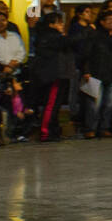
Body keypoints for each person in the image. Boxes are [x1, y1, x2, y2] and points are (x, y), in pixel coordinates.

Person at [79, 8, 112, 138]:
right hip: (96, 73)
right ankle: (90, 129)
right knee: (94, 105)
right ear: (102, 22)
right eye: (109, 20)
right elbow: (85, 54)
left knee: (109, 104)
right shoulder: (94, 35)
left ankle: (104, 127)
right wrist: (86, 71)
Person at [30, 10, 75, 142]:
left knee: (55, 104)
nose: (62, 25)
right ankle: (46, 132)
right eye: (59, 23)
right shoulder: (51, 37)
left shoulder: (46, 37)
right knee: (51, 103)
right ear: (51, 25)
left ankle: (53, 130)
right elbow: (69, 42)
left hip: (56, 75)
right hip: (52, 75)